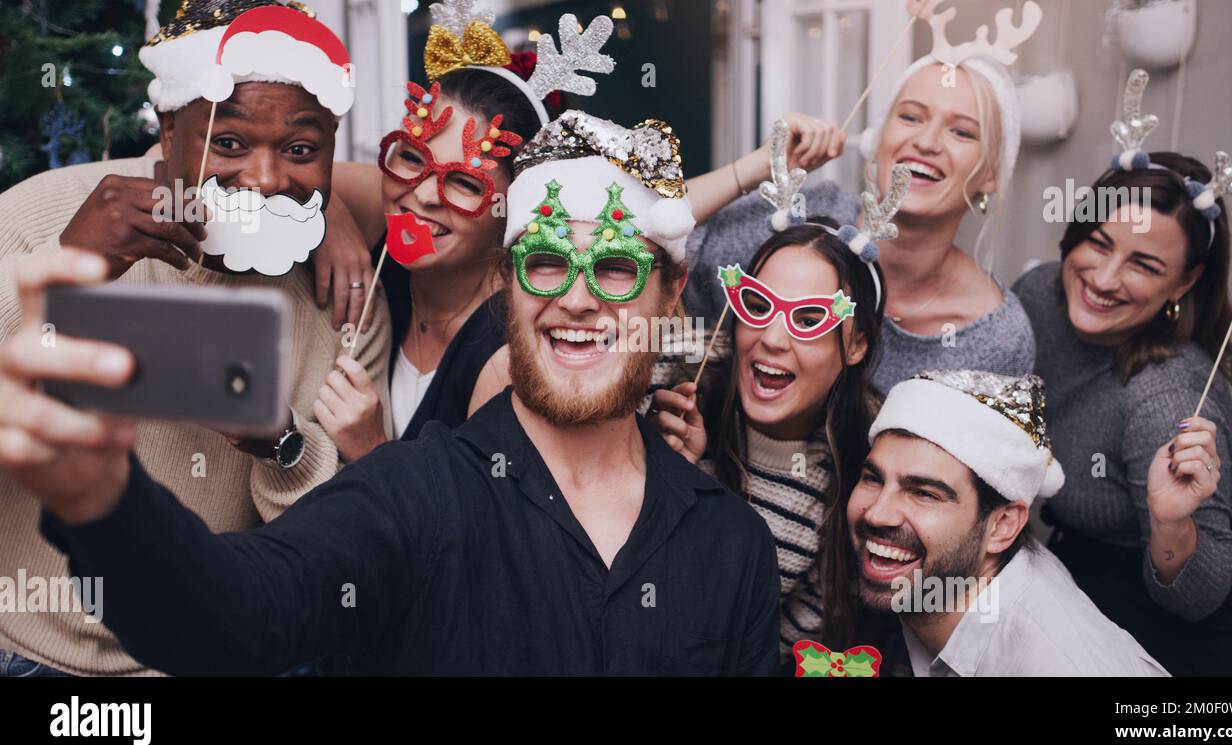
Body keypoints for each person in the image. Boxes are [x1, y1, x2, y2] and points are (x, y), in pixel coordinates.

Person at [0, 110, 781, 677]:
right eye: (546, 264)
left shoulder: (729, 543)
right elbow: (231, 616)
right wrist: (105, 498)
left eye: (615, 269)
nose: (577, 299)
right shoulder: (412, 495)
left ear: (670, 291)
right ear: (508, 287)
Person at [0, 0, 389, 677]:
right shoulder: (41, 215)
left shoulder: (345, 299)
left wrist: (282, 443)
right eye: (229, 143)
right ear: (170, 129)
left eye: (301, 150)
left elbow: (325, 553)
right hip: (23, 653)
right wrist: (60, 273)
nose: (265, 180)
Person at [1012, 149, 1232, 676]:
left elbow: (1197, 597)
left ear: (1184, 283)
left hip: (1201, 621)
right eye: (1099, 243)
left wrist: (1170, 521)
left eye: (1144, 264)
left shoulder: (1167, 398)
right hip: (1084, 560)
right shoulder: (1038, 294)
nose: (1104, 278)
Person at [318, 11, 618, 459]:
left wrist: (372, 451)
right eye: (412, 157)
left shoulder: (510, 356)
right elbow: (282, 178)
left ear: (514, 210)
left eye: (464, 183)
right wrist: (331, 223)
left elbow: (481, 526)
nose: (420, 195)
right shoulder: (386, 223)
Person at [685, 26, 1036, 392]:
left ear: (992, 174)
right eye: (911, 117)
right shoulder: (801, 217)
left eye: (962, 132)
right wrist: (759, 164)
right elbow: (639, 230)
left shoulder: (999, 338)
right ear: (878, 140)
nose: (926, 142)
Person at [651, 210, 885, 664]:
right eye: (758, 306)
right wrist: (645, 463)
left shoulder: (856, 486)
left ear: (856, 346)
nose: (774, 339)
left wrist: (690, 494)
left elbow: (742, 651)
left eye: (810, 318)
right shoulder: (666, 366)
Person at [825, 370, 1169, 676]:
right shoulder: (938, 587)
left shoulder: (1060, 664)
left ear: (1002, 525)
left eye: (924, 493)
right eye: (872, 479)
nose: (877, 514)